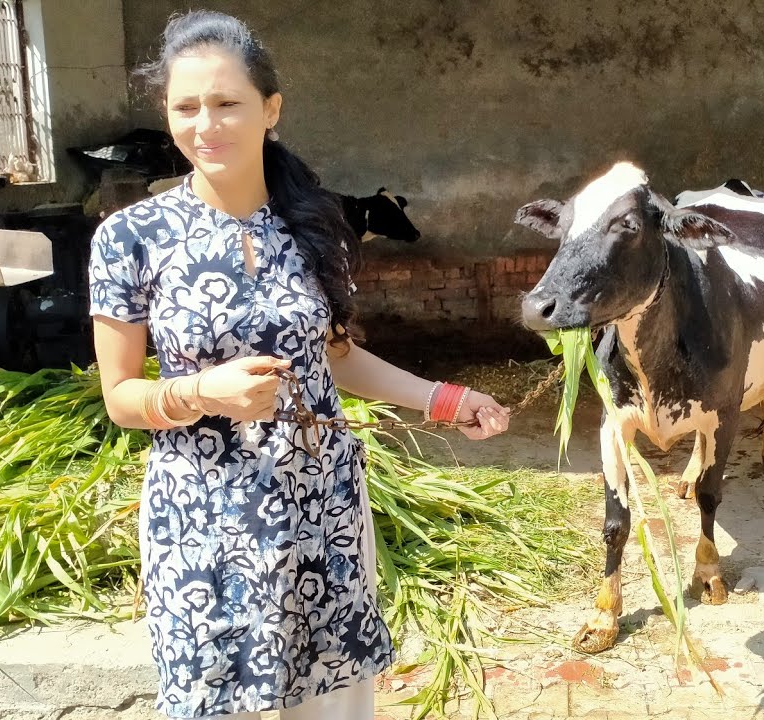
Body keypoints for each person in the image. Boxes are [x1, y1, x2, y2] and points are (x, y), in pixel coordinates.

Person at [88, 10, 510, 720]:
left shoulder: (313, 223)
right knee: (218, 701)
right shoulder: (132, 237)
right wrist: (201, 392)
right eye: (185, 107)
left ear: (270, 109)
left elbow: (334, 357)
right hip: (204, 519)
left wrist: (443, 398)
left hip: (321, 505)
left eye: (227, 103)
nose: (205, 125)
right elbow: (120, 396)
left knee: (332, 705)